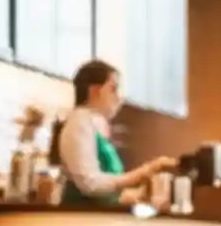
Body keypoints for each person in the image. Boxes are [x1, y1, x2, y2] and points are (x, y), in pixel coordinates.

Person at [50, 61, 176, 206]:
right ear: (94, 91)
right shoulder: (79, 123)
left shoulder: (92, 124)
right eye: (113, 89)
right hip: (83, 218)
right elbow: (90, 184)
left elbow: (109, 193)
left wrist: (143, 190)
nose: (118, 97)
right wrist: (143, 172)